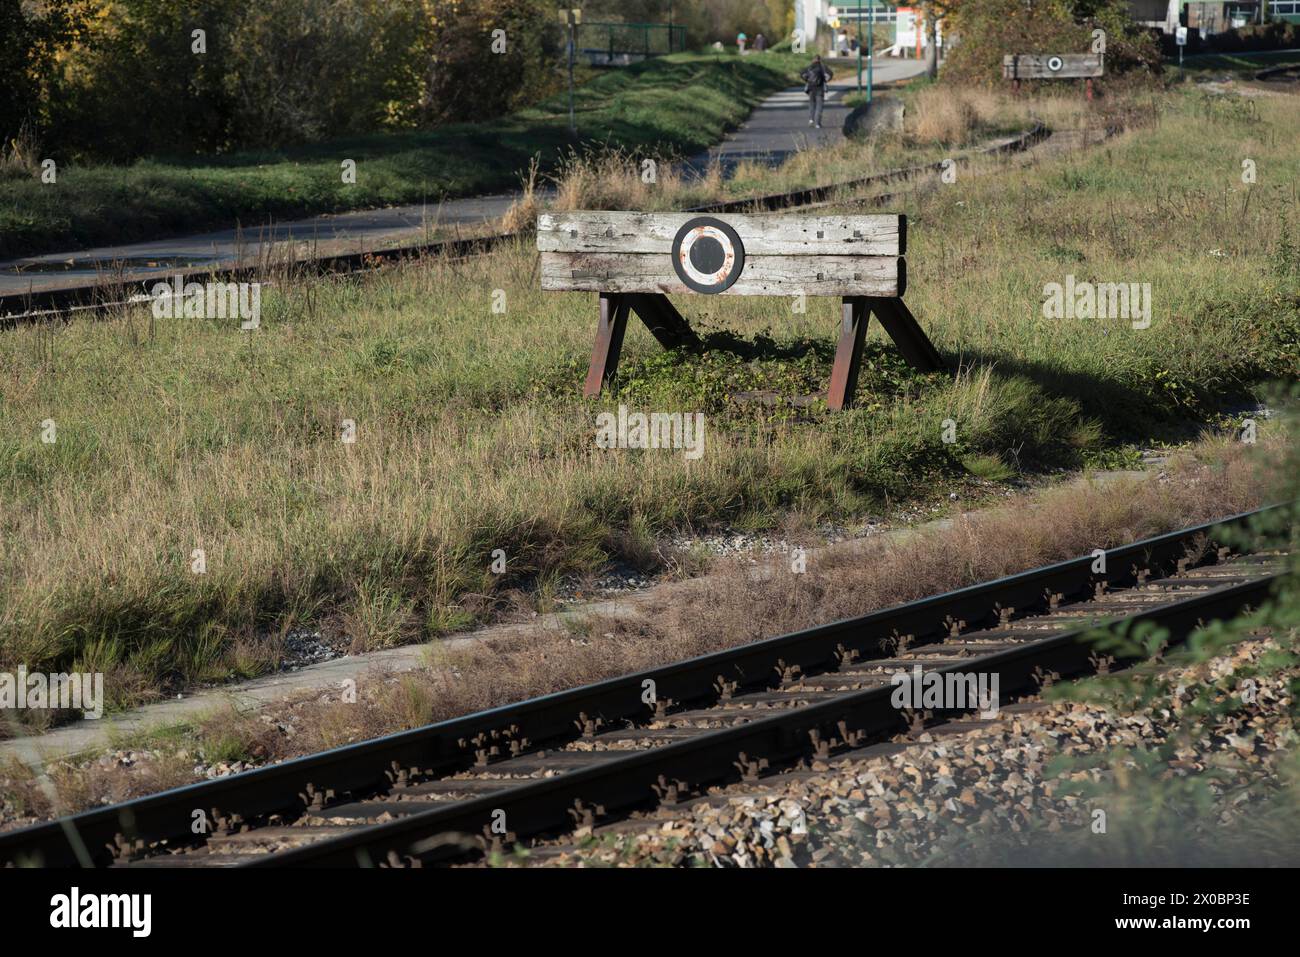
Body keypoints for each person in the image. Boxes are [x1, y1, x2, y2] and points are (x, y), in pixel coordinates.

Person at [800, 55, 833, 129]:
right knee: (819, 106)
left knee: (812, 105)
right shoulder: (823, 67)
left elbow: (801, 73)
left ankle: (811, 120)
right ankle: (817, 123)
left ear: (813, 60)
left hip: (811, 89)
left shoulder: (809, 67)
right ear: (819, 60)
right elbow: (831, 74)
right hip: (820, 89)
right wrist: (826, 80)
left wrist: (806, 80)